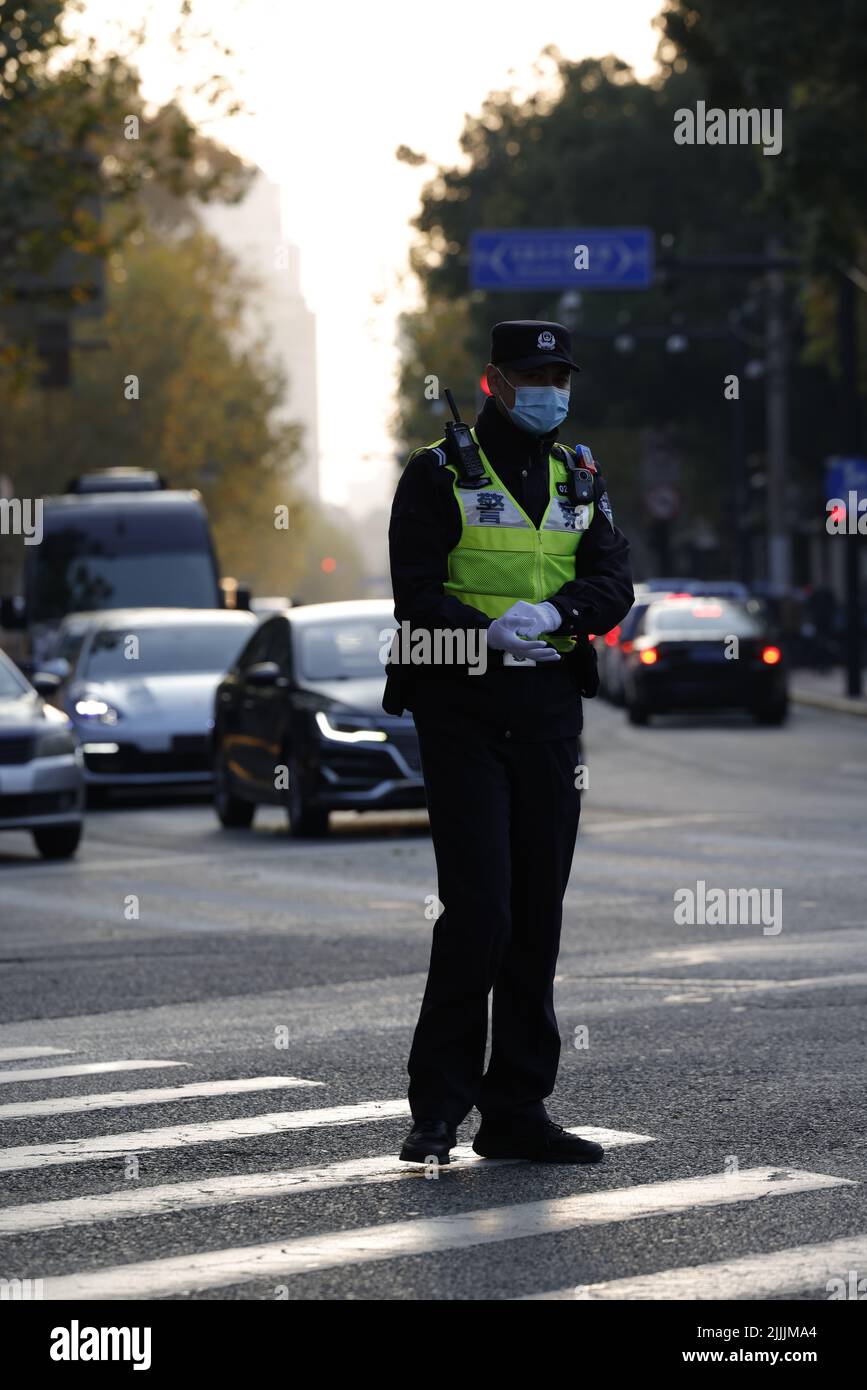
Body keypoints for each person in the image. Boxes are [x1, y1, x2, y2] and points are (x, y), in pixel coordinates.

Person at [384, 320, 634, 1165]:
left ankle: (517, 1108)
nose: (549, 390)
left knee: (535, 913)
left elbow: (613, 579)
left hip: (548, 710)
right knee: (481, 910)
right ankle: (438, 1109)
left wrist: (557, 616)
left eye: (559, 375)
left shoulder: (579, 475)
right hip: (460, 709)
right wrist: (488, 631)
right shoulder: (436, 473)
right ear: (493, 381)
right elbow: (414, 597)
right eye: (533, 375)